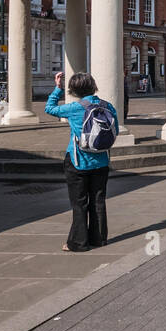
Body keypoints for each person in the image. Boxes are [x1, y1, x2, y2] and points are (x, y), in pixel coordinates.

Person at [46, 71, 119, 252]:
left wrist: (57, 88)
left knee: (79, 203)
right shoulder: (108, 106)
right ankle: (99, 238)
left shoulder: (74, 108)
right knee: (98, 201)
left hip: (77, 161)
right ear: (93, 86)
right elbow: (115, 129)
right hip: (101, 161)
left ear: (73, 90)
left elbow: (50, 108)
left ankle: (78, 242)